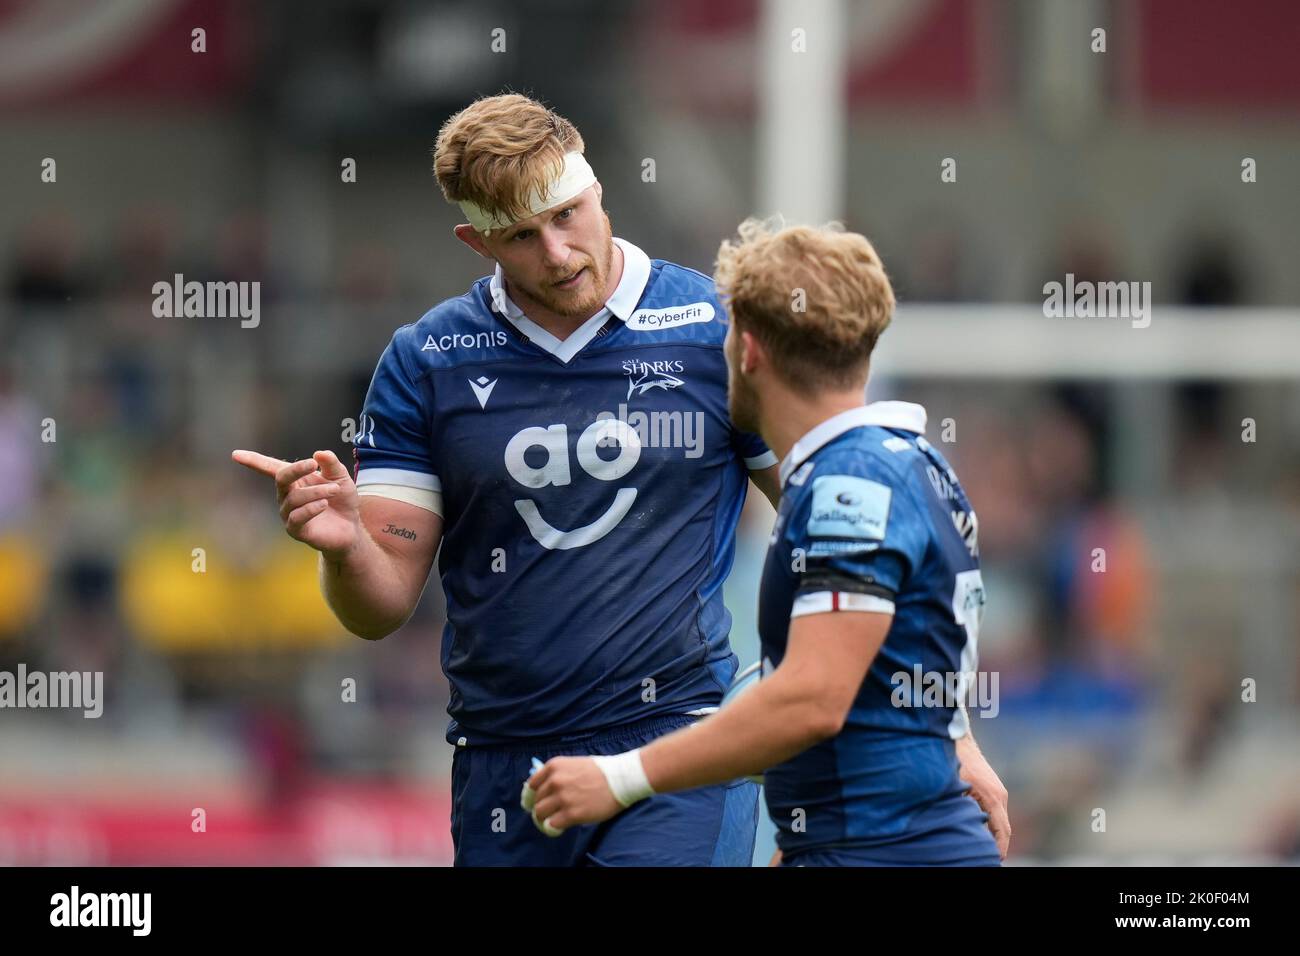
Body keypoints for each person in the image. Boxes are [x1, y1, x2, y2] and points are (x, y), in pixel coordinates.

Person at [232, 93, 784, 865]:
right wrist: (344, 546)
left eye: (567, 215)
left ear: (598, 191)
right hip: (503, 767)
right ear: (476, 239)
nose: (556, 252)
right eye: (522, 236)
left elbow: (816, 510)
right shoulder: (426, 362)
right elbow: (381, 602)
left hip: (677, 744)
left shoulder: (713, 328)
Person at [525, 219, 1012, 866]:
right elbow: (890, 673)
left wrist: (619, 778)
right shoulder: (912, 462)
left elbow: (813, 699)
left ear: (749, 351)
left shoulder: (849, 485)